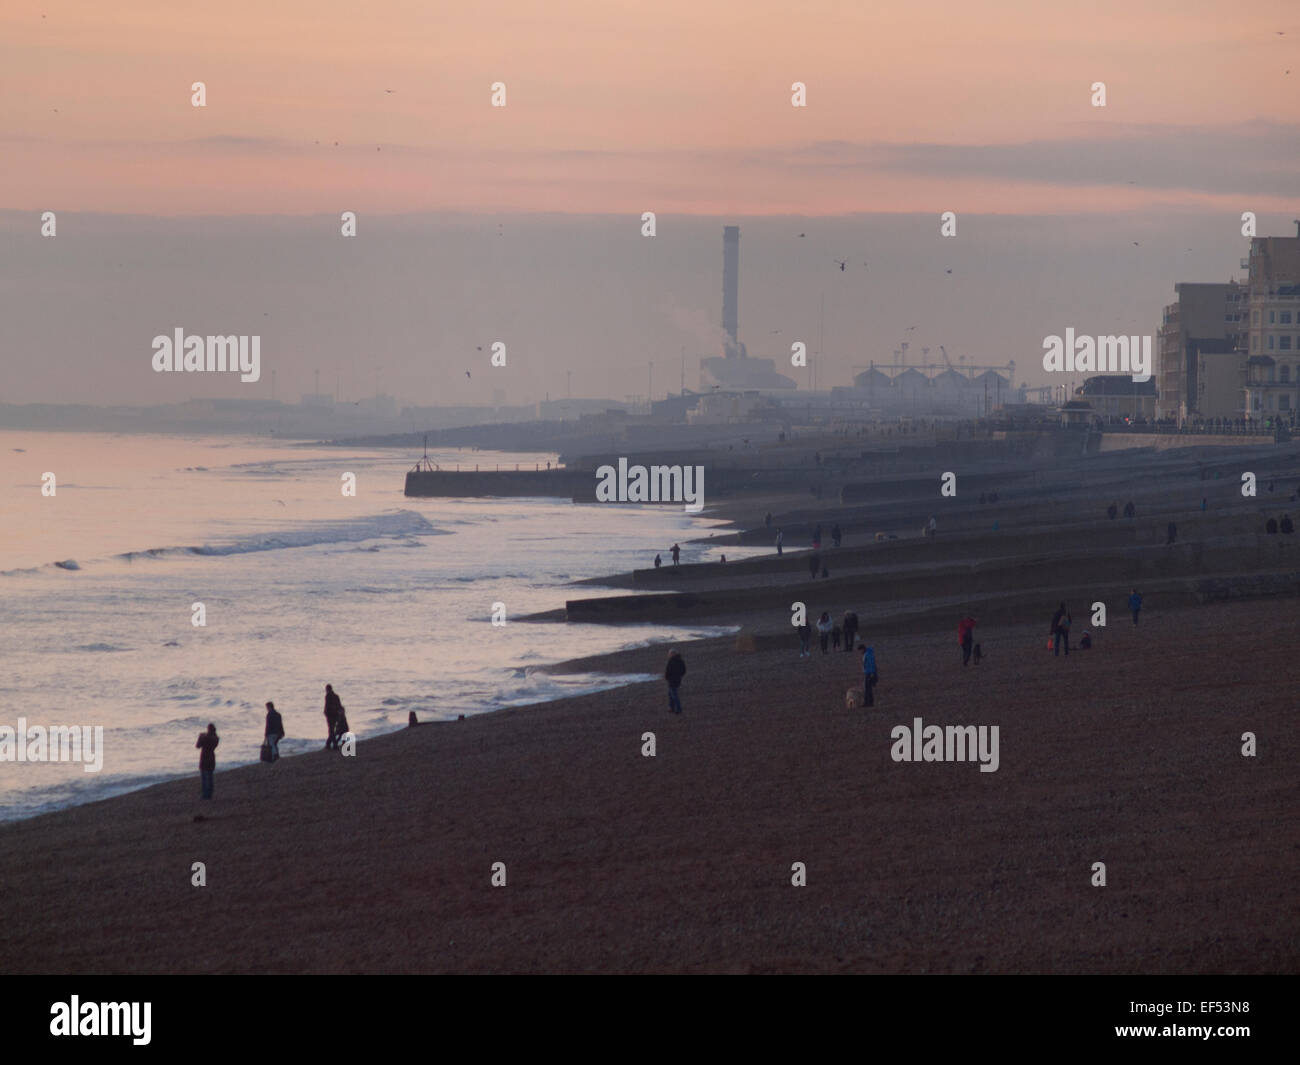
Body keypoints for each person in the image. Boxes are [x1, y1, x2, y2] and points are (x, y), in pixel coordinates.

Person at [196, 723, 219, 799]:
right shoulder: (216, 738)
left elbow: (198, 745)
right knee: (210, 777)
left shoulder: (206, 738)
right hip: (211, 758)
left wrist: (201, 737)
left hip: (205, 758)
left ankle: (205, 794)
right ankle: (209, 794)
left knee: (204, 778)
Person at [665, 649, 686, 714]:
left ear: (672, 654)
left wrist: (667, 677)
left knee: (674, 694)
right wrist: (680, 675)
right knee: (670, 694)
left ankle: (679, 709)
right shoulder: (680, 661)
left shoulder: (671, 661)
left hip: (672, 680)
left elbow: (668, 671)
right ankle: (671, 707)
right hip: (678, 679)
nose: (668, 655)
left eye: (669, 654)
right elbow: (684, 670)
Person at [324, 683, 343, 750]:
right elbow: (339, 706)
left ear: (327, 689)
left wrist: (325, 713)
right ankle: (328, 744)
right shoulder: (336, 696)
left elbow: (327, 706)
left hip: (330, 715)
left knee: (331, 730)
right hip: (336, 715)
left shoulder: (327, 696)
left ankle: (333, 745)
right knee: (332, 730)